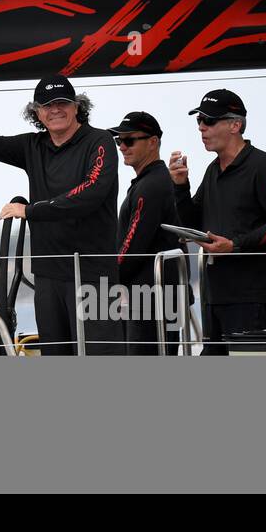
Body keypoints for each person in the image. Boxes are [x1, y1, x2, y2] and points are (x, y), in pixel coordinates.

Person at [0, 61, 122, 356]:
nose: (55, 110)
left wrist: (31, 210)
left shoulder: (99, 141)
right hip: (48, 277)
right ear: (36, 113)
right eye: (47, 105)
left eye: (62, 103)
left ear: (77, 107)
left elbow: (91, 194)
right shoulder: (33, 146)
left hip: (93, 276)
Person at [169, 89, 266, 355]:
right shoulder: (213, 170)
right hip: (215, 296)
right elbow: (194, 219)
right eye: (199, 121)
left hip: (252, 299)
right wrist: (180, 187)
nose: (202, 127)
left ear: (235, 125)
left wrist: (235, 245)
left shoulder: (264, 165)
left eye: (209, 121)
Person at [110, 113, 190, 355]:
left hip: (151, 300)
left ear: (153, 142)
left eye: (130, 140)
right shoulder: (150, 181)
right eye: (119, 141)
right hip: (151, 297)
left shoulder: (151, 185)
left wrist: (104, 277)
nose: (122, 147)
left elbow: (133, 246)